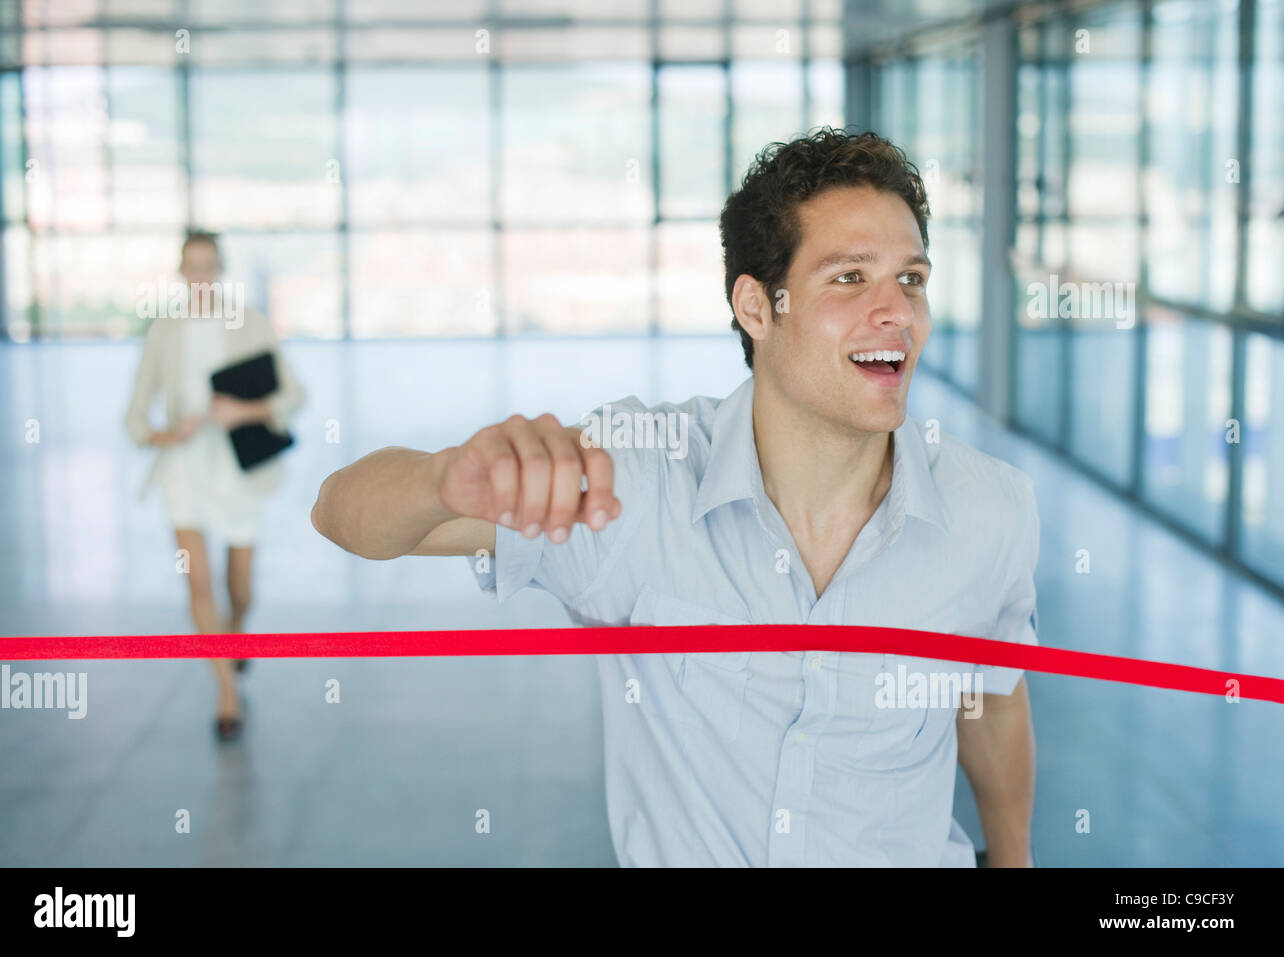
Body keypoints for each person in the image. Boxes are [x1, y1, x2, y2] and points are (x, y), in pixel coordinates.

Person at [310, 128, 1040, 866]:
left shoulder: (991, 512)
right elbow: (342, 512)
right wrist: (443, 480)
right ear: (757, 308)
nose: (897, 313)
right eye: (850, 278)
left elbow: (993, 698)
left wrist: (1014, 858)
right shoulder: (632, 484)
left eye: (911, 279)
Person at [125, 230, 306, 743]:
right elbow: (135, 418)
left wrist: (242, 411)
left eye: (208, 266)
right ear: (181, 272)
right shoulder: (163, 331)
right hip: (183, 469)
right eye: (191, 267)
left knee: (240, 590)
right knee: (198, 584)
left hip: (238, 471)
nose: (200, 277)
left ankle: (235, 634)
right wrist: (166, 432)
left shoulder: (250, 324)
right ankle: (226, 692)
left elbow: (294, 396)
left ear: (220, 270)